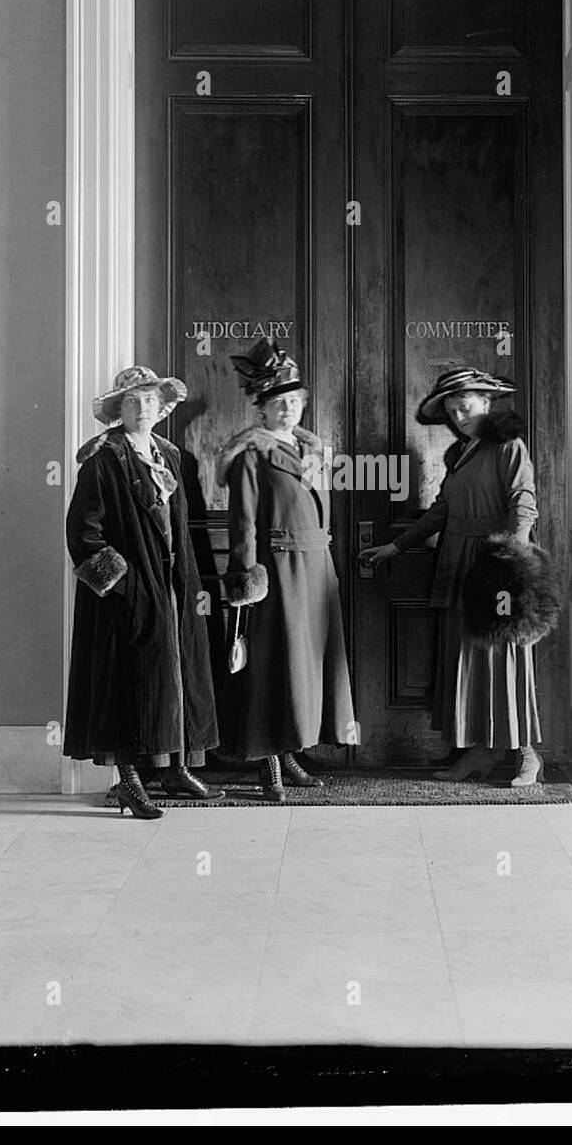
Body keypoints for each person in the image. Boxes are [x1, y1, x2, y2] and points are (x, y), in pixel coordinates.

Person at [361, 367, 545, 786]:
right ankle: (477, 753)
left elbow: (524, 505)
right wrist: (396, 546)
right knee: (465, 659)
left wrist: (510, 564)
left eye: (467, 401)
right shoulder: (459, 454)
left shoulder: (508, 445)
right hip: (456, 561)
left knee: (504, 656)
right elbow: (442, 510)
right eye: (451, 404)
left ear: (486, 401)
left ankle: (526, 755)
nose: (459, 411)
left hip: (495, 562)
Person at [63, 365, 224, 817]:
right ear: (119, 409)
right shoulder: (103, 459)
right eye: (133, 402)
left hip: (173, 584)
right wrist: (125, 584)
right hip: (130, 593)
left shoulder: (168, 455)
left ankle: (176, 768)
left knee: (177, 675)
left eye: (150, 400)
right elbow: (83, 532)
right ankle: (129, 780)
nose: (143, 409)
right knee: (129, 683)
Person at [216, 339, 357, 802]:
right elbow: (244, 523)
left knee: (308, 666)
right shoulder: (251, 456)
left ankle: (292, 749)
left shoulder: (312, 450)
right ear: (262, 408)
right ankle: (267, 762)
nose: (289, 410)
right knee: (274, 664)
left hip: (316, 570)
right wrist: (247, 576)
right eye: (279, 403)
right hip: (275, 572)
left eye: (295, 402)